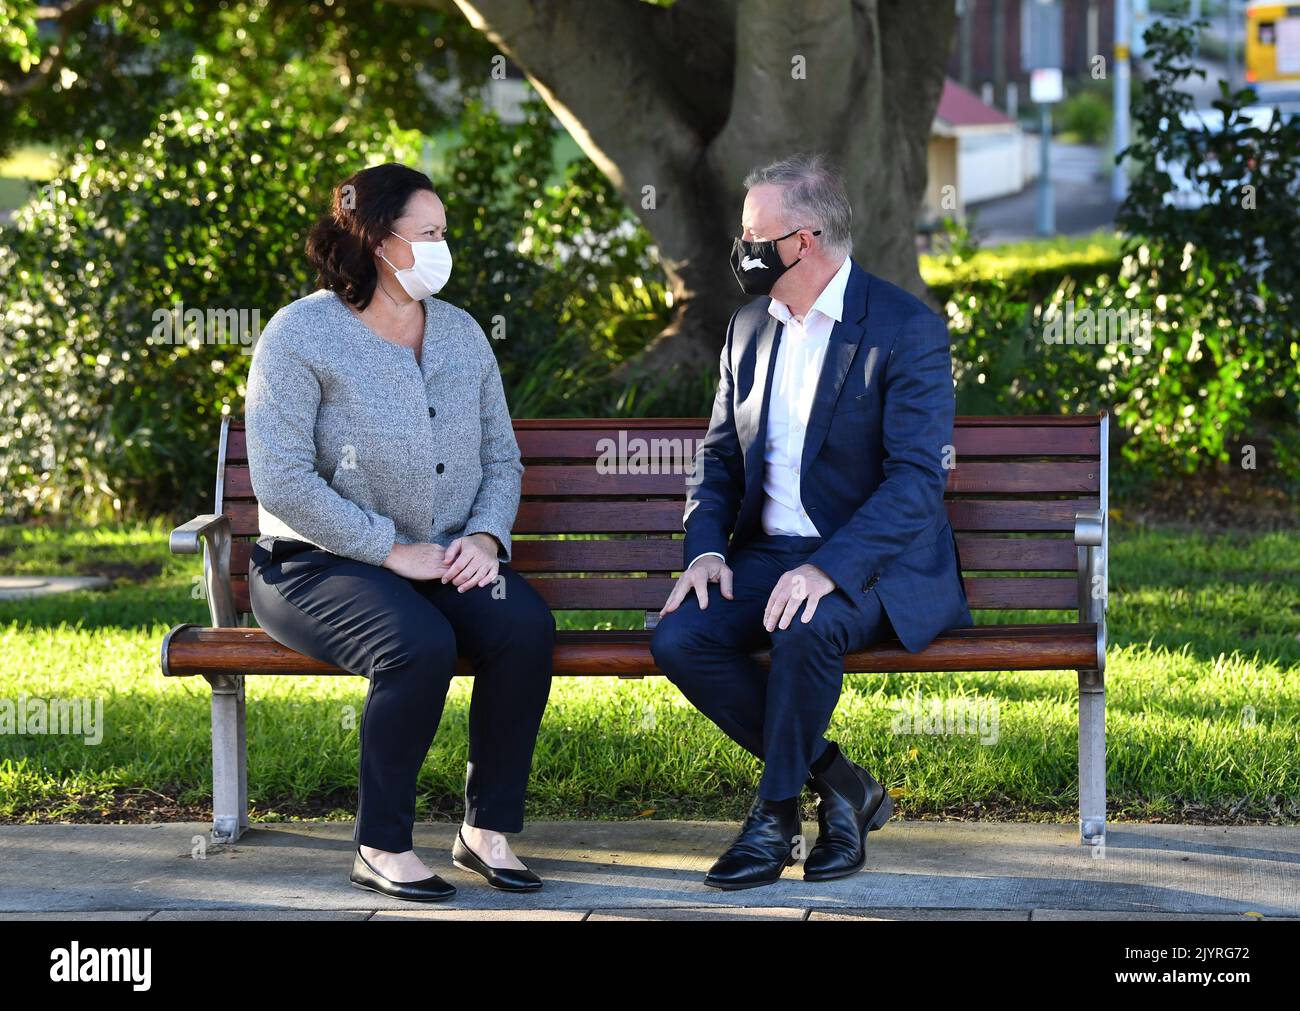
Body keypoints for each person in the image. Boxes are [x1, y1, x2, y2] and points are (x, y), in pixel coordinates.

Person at [650, 152, 972, 890]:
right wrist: (704, 552)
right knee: (680, 636)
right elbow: (718, 459)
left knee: (805, 623)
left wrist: (827, 567)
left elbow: (917, 484)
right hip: (770, 551)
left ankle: (773, 818)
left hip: (875, 562)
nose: (742, 251)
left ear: (803, 240)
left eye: (753, 235)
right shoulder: (749, 327)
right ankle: (841, 781)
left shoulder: (903, 327)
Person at [244, 163, 555, 902]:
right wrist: (389, 548)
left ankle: (485, 831)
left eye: (445, 232)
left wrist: (483, 539)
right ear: (380, 242)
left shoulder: (461, 333)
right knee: (416, 645)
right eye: (431, 234)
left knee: (524, 627)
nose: (445, 247)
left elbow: (501, 457)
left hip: (442, 556)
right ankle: (380, 843)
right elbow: (283, 481)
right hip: (312, 565)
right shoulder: (300, 334)